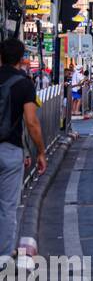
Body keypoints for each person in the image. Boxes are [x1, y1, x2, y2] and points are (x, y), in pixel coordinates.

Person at [0, 39, 44, 267]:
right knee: (7, 206)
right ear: (21, 59)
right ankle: (3, 256)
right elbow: (31, 122)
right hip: (10, 150)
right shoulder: (24, 84)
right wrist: (40, 152)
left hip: (13, 150)